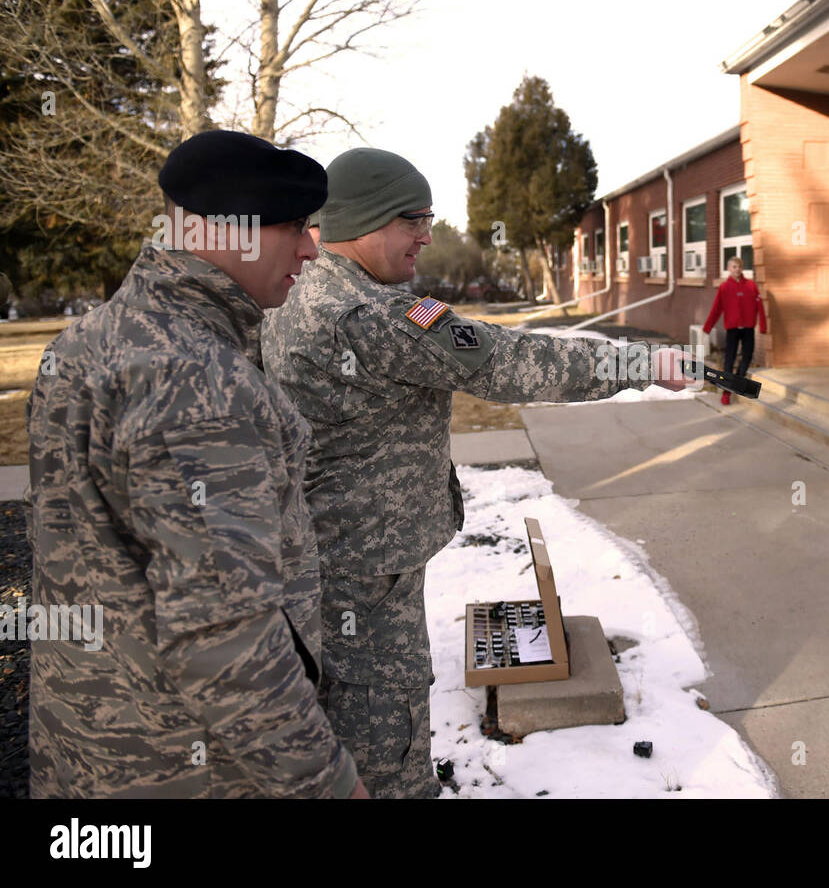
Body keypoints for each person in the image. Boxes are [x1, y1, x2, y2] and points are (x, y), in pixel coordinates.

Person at [261, 147, 689, 799]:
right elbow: (510, 362)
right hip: (365, 566)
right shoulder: (370, 316)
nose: (428, 235)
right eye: (414, 220)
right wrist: (643, 366)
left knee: (333, 716)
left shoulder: (294, 292)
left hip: (319, 554)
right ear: (368, 222)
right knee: (386, 727)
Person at [25, 130, 365, 798]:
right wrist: (328, 784)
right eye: (293, 226)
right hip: (190, 763)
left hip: (97, 743)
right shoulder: (194, 379)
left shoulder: (97, 336)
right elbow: (224, 638)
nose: (309, 248)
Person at [702, 255, 767, 405]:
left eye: (739, 267)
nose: (737, 269)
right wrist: (707, 327)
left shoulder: (751, 285)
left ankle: (735, 382)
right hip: (732, 329)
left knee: (747, 356)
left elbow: (760, 308)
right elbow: (716, 309)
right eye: (734, 267)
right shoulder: (724, 287)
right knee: (729, 361)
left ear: (742, 268)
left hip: (748, 329)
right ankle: (726, 392)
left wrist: (762, 326)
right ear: (729, 269)